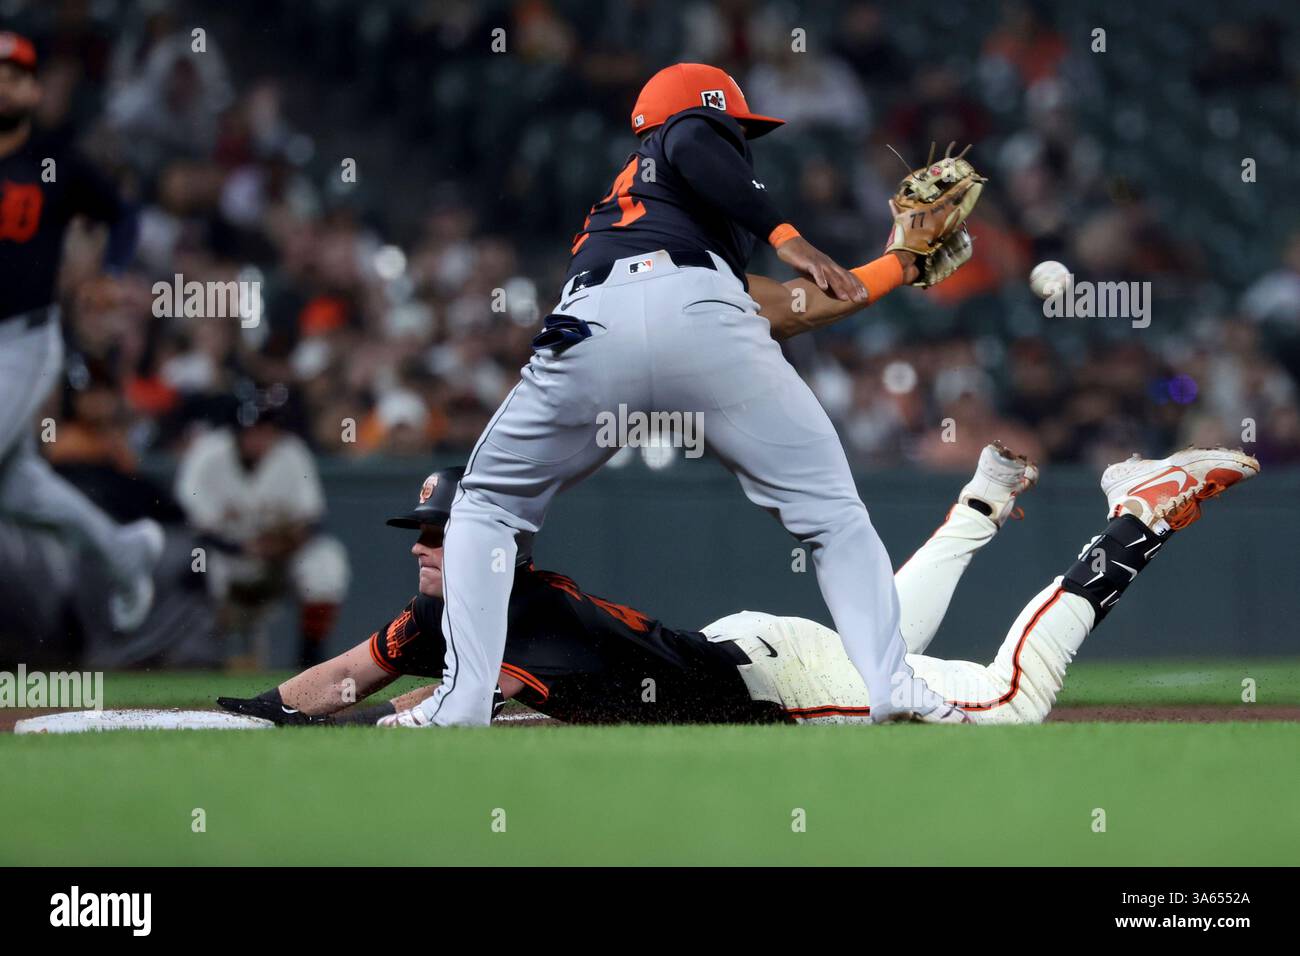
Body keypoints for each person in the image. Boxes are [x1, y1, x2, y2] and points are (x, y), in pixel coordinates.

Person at [419, 62, 975, 728]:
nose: (741, 139)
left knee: (484, 504)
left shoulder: (653, 218)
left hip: (602, 327)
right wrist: (787, 236)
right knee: (832, 515)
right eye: (735, 126)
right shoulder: (682, 142)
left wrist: (901, 264)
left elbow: (791, 307)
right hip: (701, 318)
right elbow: (690, 143)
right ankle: (893, 687)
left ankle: (462, 703)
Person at [219, 444, 1259, 727]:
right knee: (881, 629)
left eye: (446, 535)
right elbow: (354, 672)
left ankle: (1141, 508)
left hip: (777, 684)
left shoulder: (520, 610)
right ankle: (983, 501)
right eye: (423, 533)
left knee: (1008, 700)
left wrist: (396, 715)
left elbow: (465, 696)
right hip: (736, 649)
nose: (423, 548)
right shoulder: (457, 612)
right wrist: (265, 713)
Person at [0, 31, 161, 632]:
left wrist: (112, 273)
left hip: (21, 340)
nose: (4, 83)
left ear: (35, 89)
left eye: (15, 73)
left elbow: (121, 218)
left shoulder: (55, 163)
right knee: (20, 492)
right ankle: (126, 551)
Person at [175, 393, 349, 667]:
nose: (259, 437)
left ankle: (310, 659)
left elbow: (312, 519)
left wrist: (282, 545)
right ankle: (206, 657)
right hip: (228, 556)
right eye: (251, 431)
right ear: (235, 432)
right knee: (200, 561)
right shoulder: (208, 454)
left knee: (326, 562)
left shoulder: (291, 453)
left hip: (279, 558)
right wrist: (242, 548)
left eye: (266, 430)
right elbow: (192, 522)